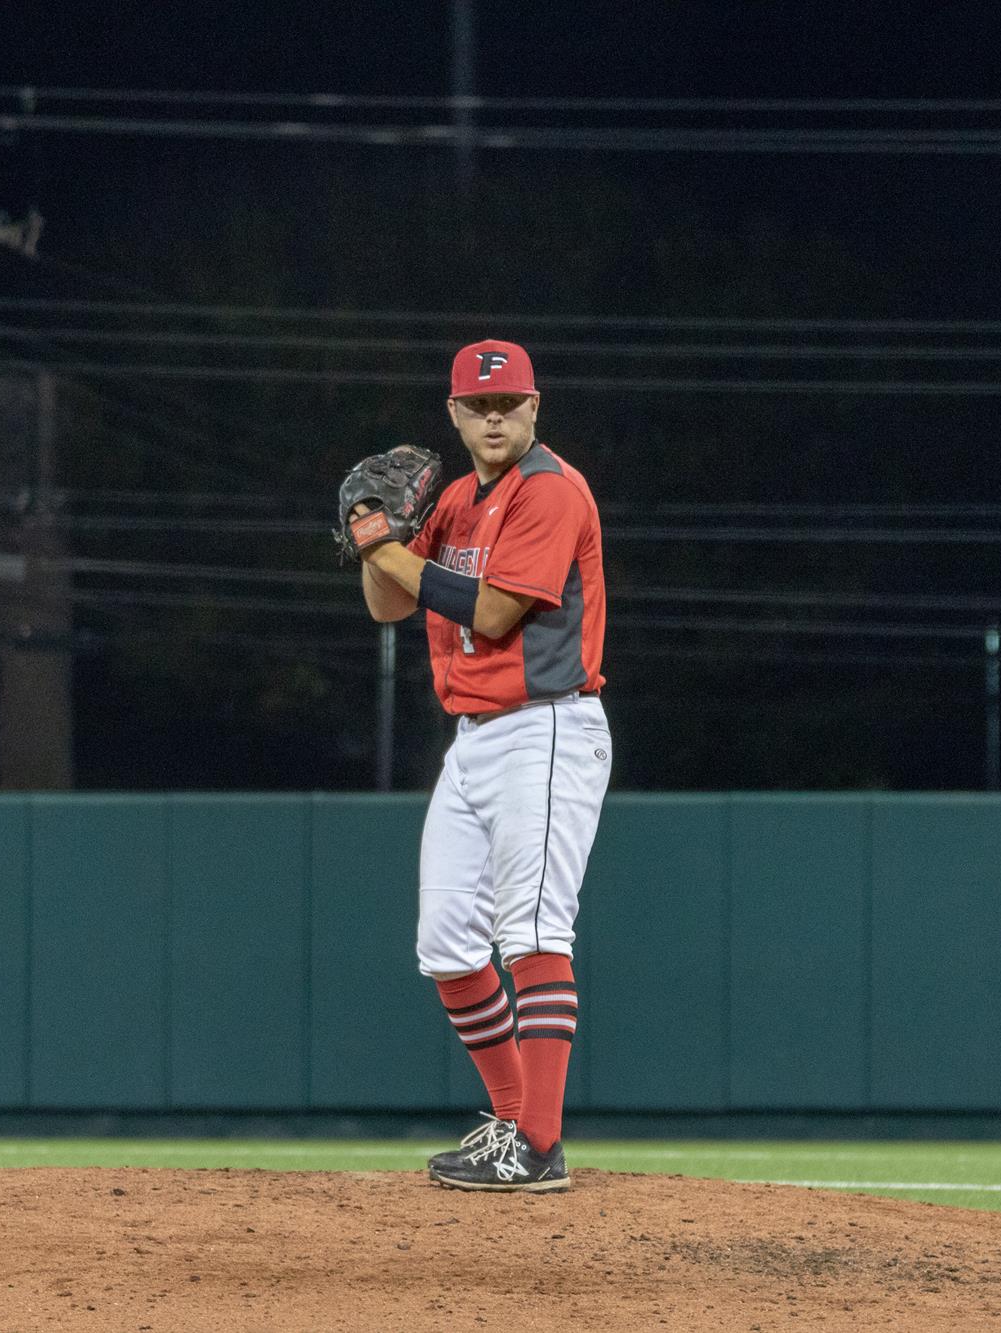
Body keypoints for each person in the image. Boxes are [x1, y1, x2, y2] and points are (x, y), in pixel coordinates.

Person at [348, 339, 610, 1192]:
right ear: (454, 414)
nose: (495, 419)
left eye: (510, 405)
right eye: (479, 406)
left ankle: (538, 1142)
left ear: (536, 408)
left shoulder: (553, 491)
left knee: (533, 931)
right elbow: (389, 602)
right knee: (447, 946)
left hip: (547, 729)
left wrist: (386, 547)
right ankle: (509, 1121)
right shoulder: (455, 500)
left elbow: (494, 612)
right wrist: (376, 543)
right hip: (474, 739)